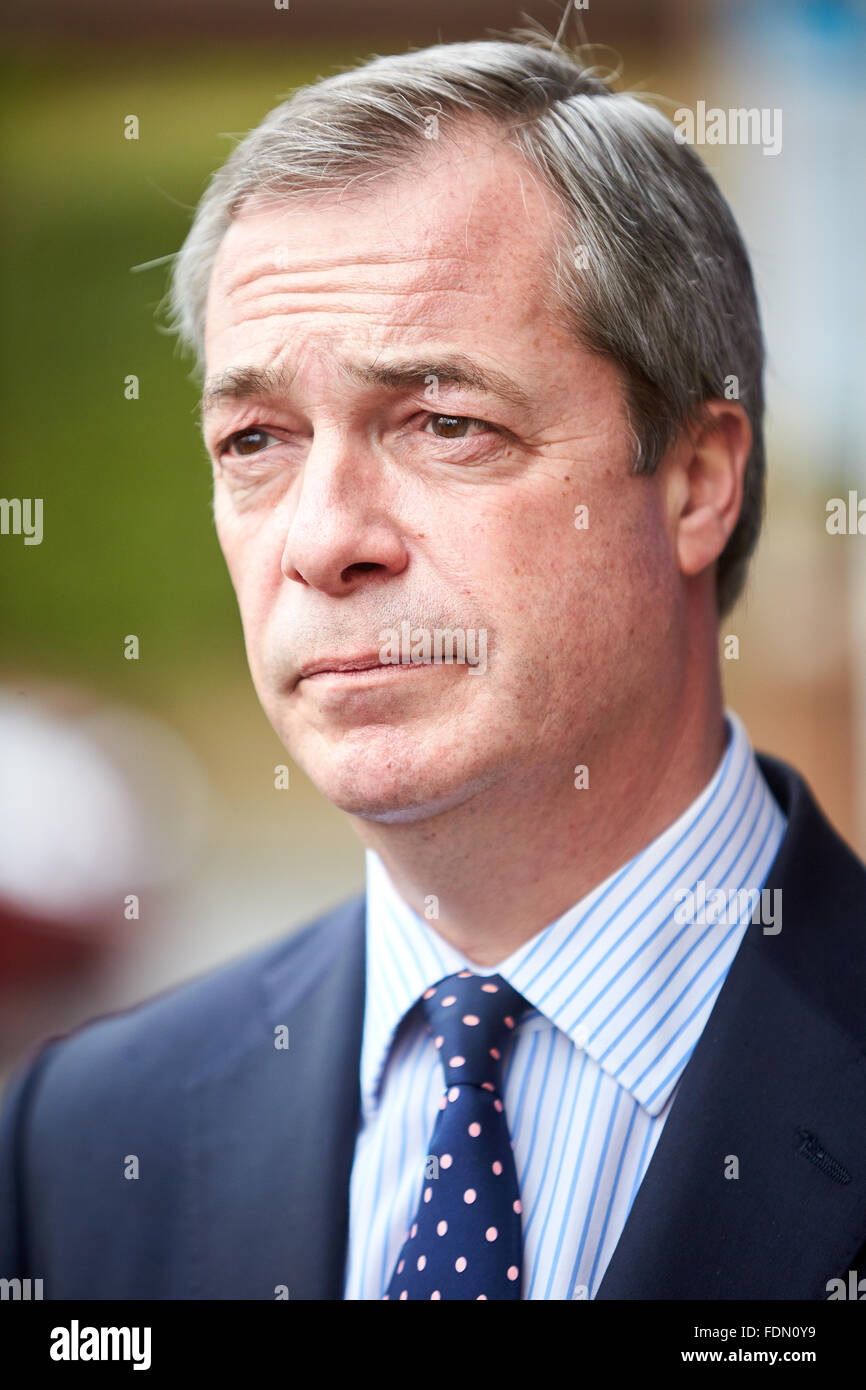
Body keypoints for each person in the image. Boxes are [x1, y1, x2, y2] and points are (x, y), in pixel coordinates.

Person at [2, 30, 865, 1302]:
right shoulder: (82, 1141)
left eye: (442, 422)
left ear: (693, 479)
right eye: (254, 441)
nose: (321, 539)